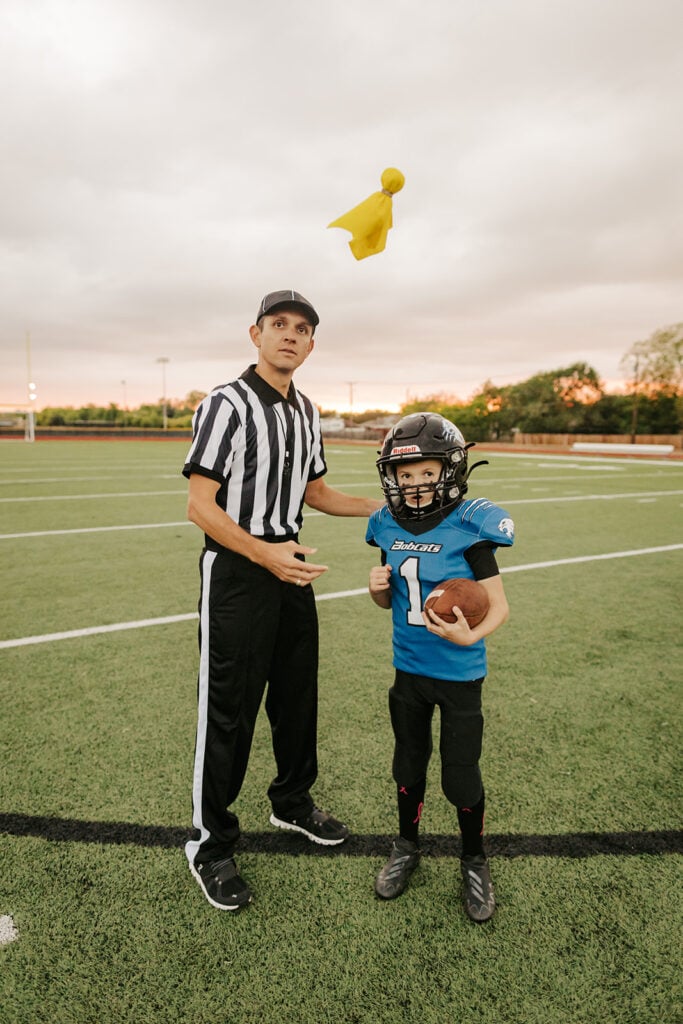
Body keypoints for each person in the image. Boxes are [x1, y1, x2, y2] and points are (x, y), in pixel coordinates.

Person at [183, 289, 381, 911]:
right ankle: (209, 846)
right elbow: (200, 506)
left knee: (298, 698)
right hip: (239, 573)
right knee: (230, 710)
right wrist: (262, 553)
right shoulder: (227, 404)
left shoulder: (305, 410)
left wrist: (391, 510)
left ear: (312, 344)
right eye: (279, 325)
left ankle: (292, 805)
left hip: (289, 567)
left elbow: (316, 492)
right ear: (256, 334)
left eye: (302, 329)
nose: (290, 336)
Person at [366, 412, 514, 922]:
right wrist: (376, 591)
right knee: (408, 763)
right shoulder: (386, 524)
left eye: (425, 472)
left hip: (459, 677)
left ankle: (474, 859)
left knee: (460, 775)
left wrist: (469, 634)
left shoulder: (470, 526)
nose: (414, 483)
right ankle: (407, 845)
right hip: (408, 670)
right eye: (404, 475)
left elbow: (498, 606)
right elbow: (392, 604)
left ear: (450, 470)